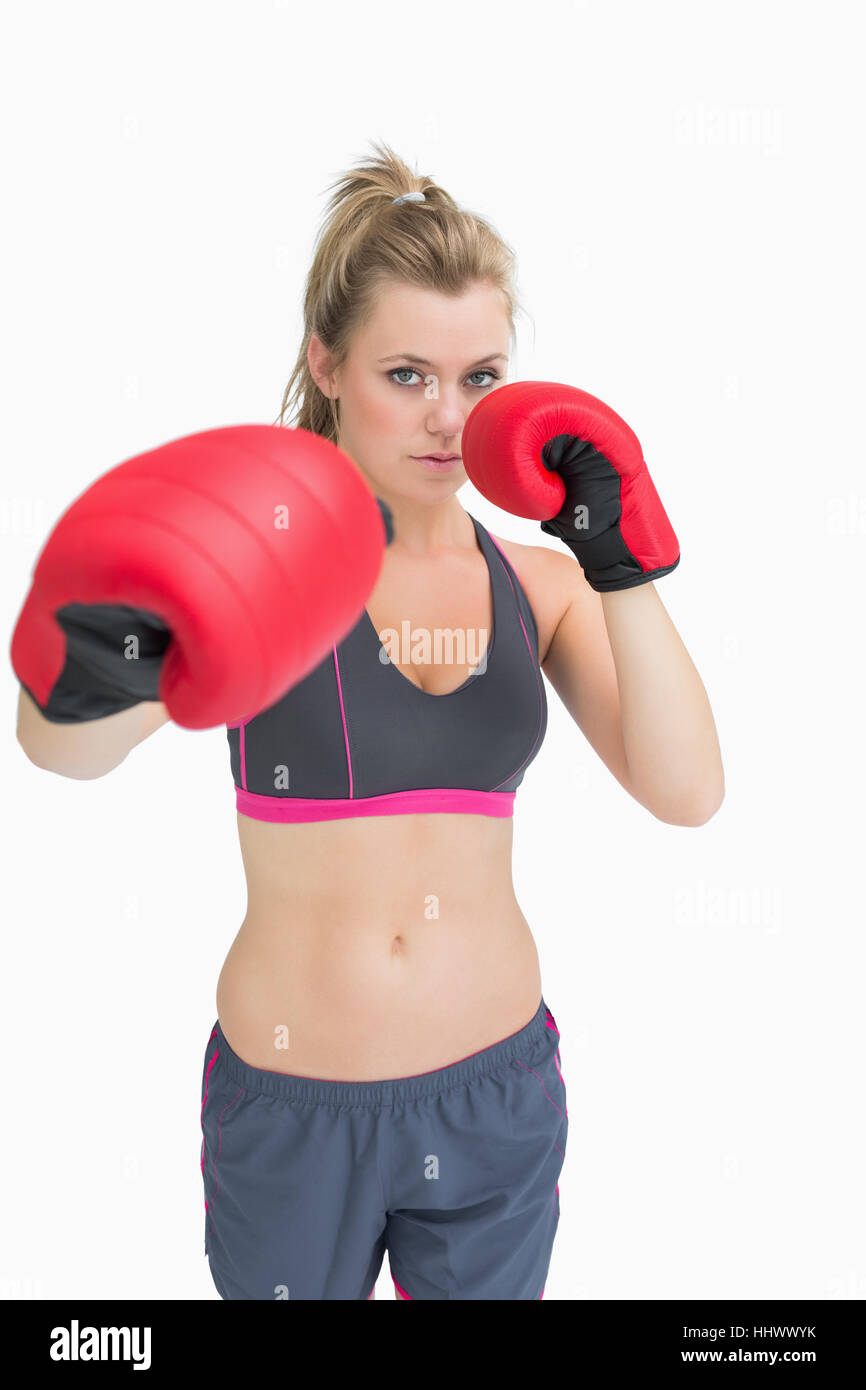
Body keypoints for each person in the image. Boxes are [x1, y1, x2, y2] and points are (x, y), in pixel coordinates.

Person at [14, 141, 724, 1300]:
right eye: (407, 374)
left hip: (494, 1095)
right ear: (326, 363)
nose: (448, 417)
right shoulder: (254, 567)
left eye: (478, 377)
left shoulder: (537, 584)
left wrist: (621, 561)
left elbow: (686, 791)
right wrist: (99, 662)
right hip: (294, 1108)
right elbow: (59, 753)